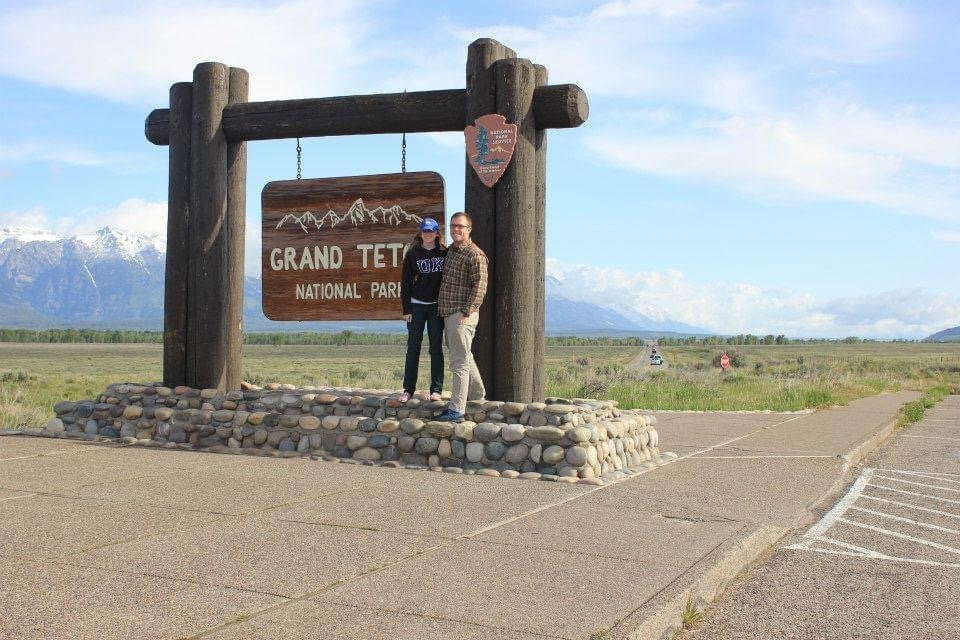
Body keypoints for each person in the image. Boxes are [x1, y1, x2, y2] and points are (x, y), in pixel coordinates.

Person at [435, 212, 488, 423]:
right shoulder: (452, 252)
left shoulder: (475, 254)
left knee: (459, 363)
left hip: (461, 314)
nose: (456, 229)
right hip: (448, 312)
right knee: (465, 356)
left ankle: (456, 409)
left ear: (469, 229)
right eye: (453, 226)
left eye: (460, 226)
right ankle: (477, 395)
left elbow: (480, 286)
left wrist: (467, 311)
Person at [398, 218, 447, 403]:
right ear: (420, 233)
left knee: (436, 348)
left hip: (436, 306)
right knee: (413, 348)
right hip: (416, 306)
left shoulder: (444, 252)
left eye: (431, 231)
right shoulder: (412, 253)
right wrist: (407, 309)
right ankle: (408, 389)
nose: (428, 234)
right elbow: (406, 283)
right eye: (425, 231)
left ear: (436, 233)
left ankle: (436, 389)